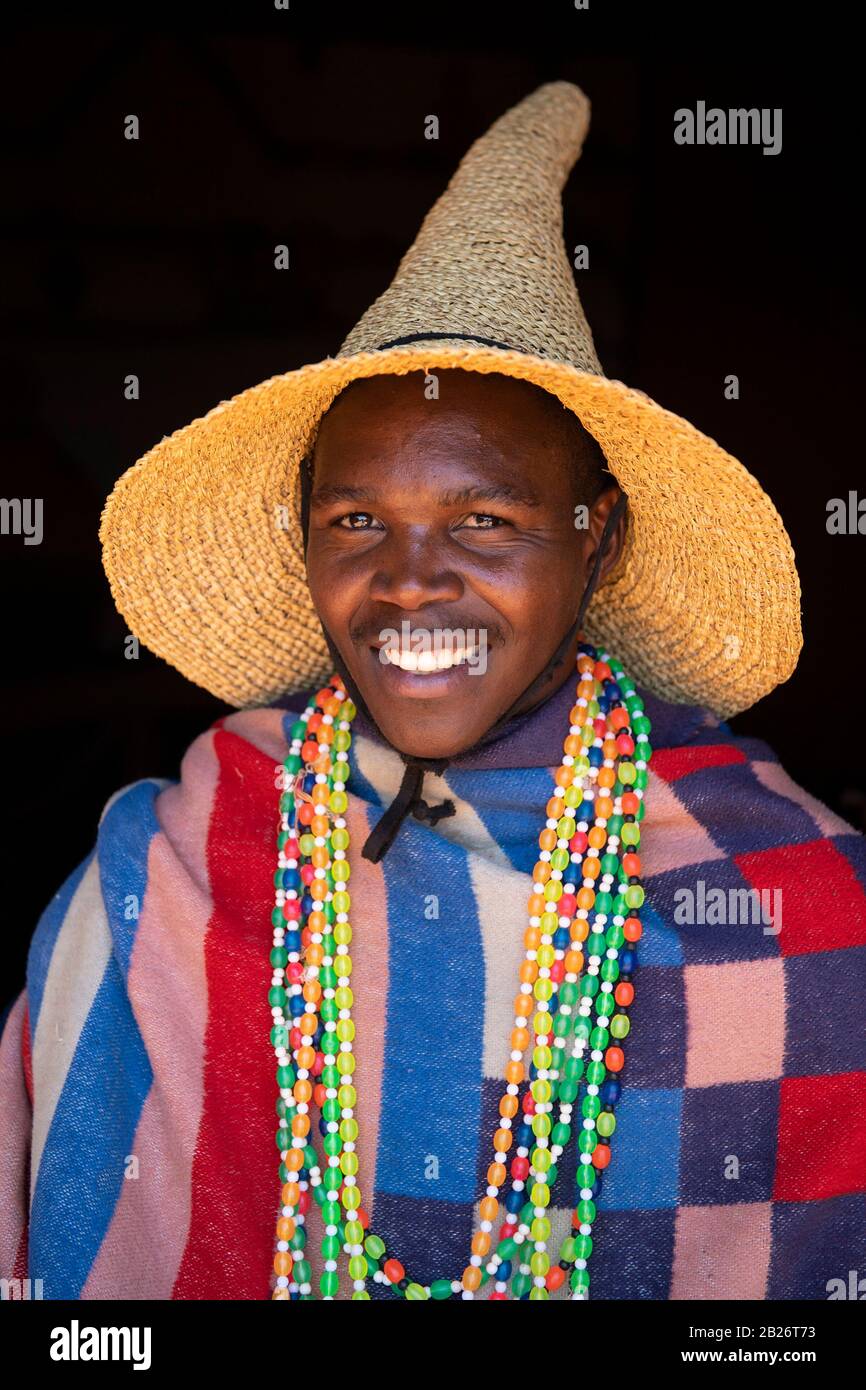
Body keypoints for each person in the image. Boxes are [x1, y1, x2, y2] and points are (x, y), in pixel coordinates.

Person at [1, 80, 864, 1302]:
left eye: (484, 519)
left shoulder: (800, 904)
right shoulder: (176, 860)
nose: (409, 585)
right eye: (356, 519)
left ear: (595, 540)